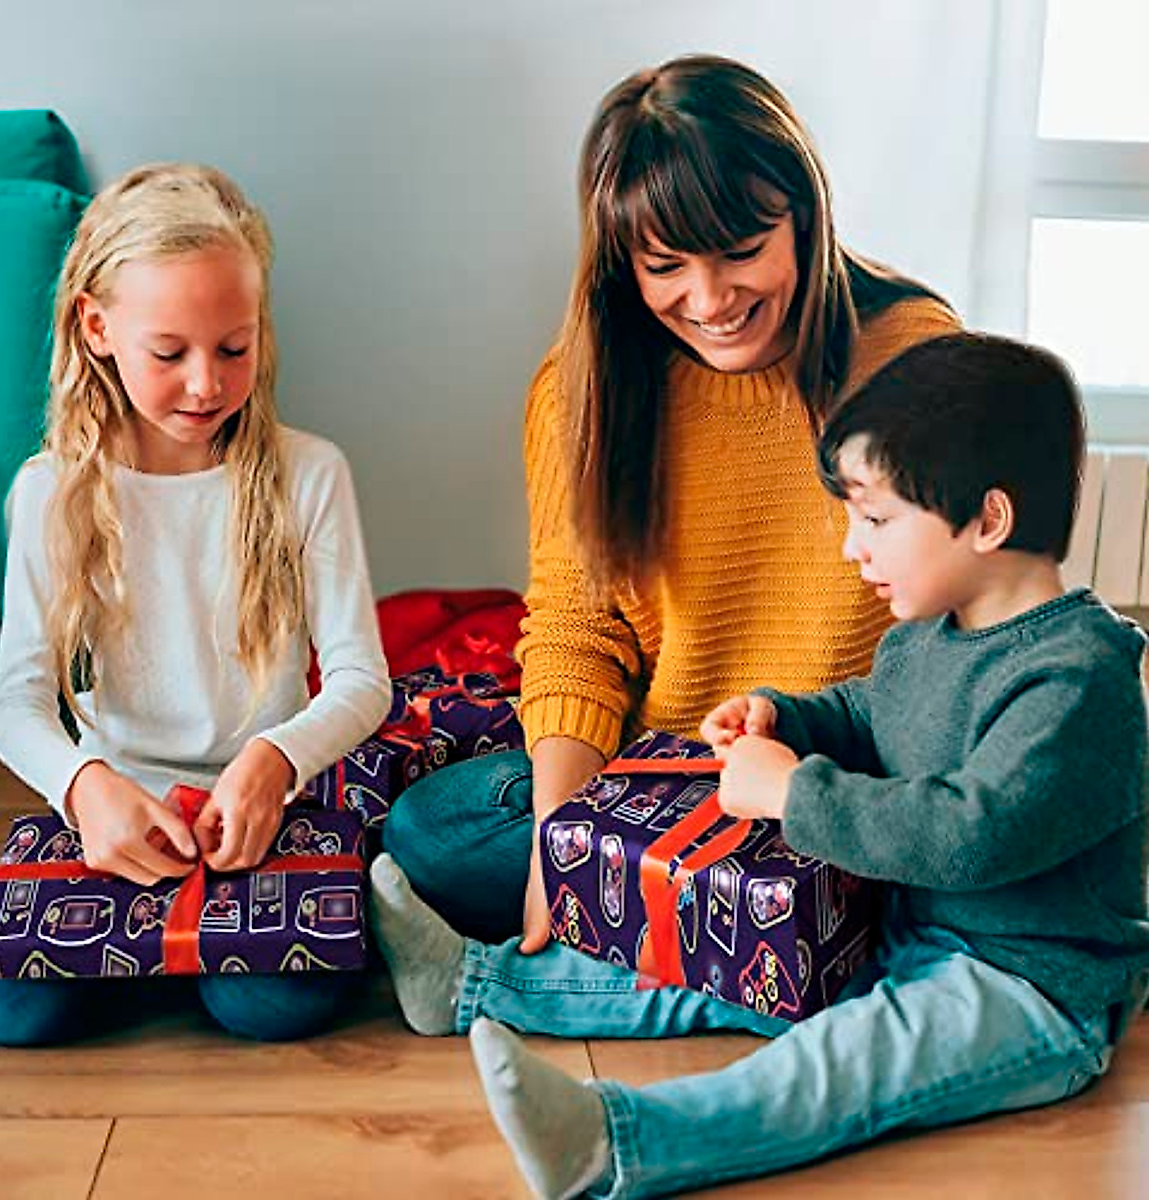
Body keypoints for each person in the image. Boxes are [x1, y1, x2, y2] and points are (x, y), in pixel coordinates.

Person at [369, 330, 1149, 1198]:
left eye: (876, 519)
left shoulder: (1079, 679)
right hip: (905, 927)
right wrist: (784, 717)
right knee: (711, 966)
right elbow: (868, 714)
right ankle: (473, 984)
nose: (852, 547)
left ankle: (616, 1142)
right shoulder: (932, 634)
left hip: (1029, 986)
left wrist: (793, 792)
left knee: (839, 1067)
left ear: (989, 521)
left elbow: (972, 833)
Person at [381, 53, 960, 948]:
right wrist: (561, 856)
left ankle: (662, 939)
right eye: (665, 266)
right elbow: (577, 632)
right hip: (670, 777)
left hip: (847, 786)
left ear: (804, 220)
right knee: (432, 827)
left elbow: (965, 613)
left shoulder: (912, 357)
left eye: (742, 253)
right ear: (623, 261)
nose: (710, 299)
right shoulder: (579, 393)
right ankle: (709, 929)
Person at [0, 163, 392, 1046]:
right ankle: (156, 957)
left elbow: (361, 679)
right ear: (98, 329)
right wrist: (85, 788)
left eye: (234, 348)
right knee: (14, 1012)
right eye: (169, 353)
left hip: (262, 818)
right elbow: (14, 701)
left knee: (274, 1006)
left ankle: (147, 965)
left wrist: (274, 760)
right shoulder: (50, 493)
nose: (205, 385)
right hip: (118, 823)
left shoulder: (310, 474)